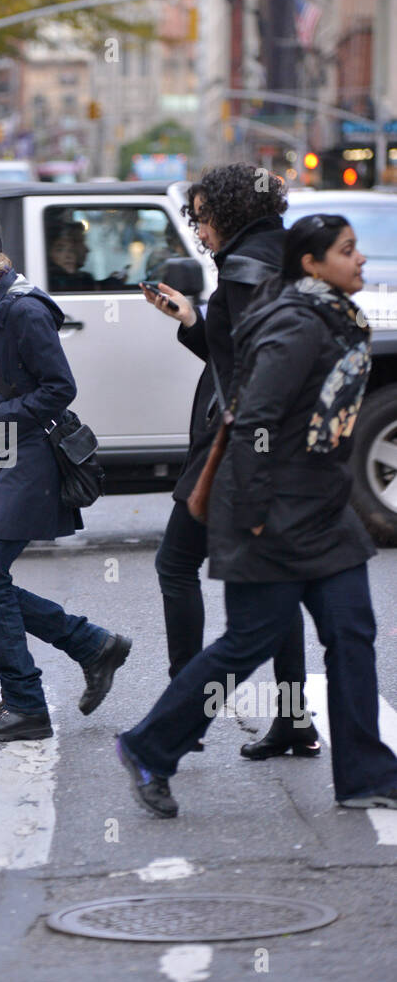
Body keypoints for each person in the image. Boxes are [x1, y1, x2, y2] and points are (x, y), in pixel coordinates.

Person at [117, 213, 397, 817]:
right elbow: (254, 424)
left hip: (323, 507)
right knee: (247, 643)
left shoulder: (335, 315)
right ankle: (149, 746)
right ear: (311, 264)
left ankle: (368, 774)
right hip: (272, 510)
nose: (361, 261)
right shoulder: (295, 326)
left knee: (351, 634)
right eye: (348, 251)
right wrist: (254, 511)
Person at [0, 220, 131, 743]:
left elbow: (59, 388)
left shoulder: (22, 308)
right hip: (3, 458)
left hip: (33, 458)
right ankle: (90, 646)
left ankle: (27, 703)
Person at [142, 163, 318, 760]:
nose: (200, 230)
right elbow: (239, 356)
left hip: (236, 450)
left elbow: (257, 377)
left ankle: (181, 715)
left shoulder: (244, 275)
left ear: (229, 214)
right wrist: (194, 321)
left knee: (175, 565)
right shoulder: (282, 256)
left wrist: (254, 461)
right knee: (274, 583)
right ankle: (293, 722)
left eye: (202, 217)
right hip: (268, 448)